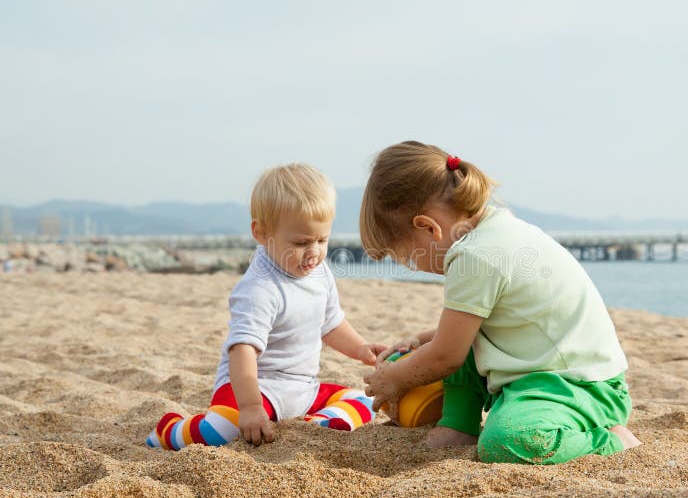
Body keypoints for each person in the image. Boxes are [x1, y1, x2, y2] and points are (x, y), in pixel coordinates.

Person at [361, 141, 641, 465]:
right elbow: (481, 324)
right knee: (447, 345)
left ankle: (611, 441)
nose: (414, 266)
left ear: (428, 228)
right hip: (546, 370)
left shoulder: (474, 256)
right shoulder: (493, 228)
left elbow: (447, 356)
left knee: (506, 442)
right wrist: (424, 340)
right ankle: (458, 425)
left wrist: (394, 378)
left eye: (409, 257)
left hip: (576, 385)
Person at [147, 164, 386, 450]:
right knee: (221, 431)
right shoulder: (260, 287)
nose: (314, 252)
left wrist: (360, 349)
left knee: (368, 400)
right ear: (261, 234)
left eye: (322, 240)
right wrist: (249, 406)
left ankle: (315, 423)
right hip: (254, 387)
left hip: (302, 389)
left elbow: (331, 323)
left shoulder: (320, 274)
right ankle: (170, 430)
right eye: (300, 242)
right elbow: (242, 350)